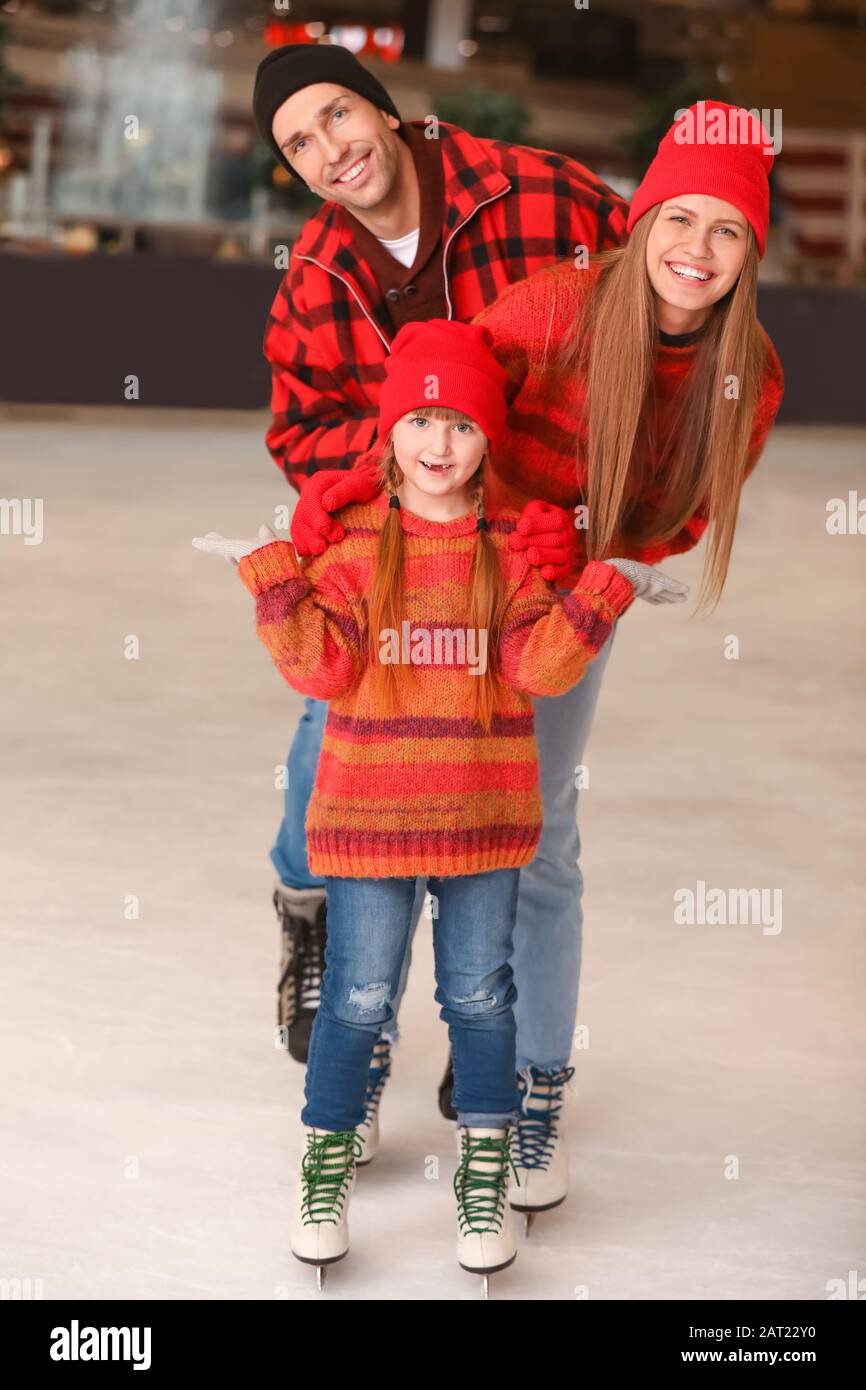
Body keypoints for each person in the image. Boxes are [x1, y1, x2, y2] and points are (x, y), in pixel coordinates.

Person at [290, 101, 786, 1223]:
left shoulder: (743, 378)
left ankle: (529, 1084)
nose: (693, 251)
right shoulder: (558, 304)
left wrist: (588, 554)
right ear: (644, 213)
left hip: (552, 602)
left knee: (537, 835)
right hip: (444, 570)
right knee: (378, 815)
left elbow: (684, 516)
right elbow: (439, 404)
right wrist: (368, 496)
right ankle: (358, 1053)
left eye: (725, 231)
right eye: (677, 217)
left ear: (750, 253)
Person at [193, 320, 687, 1289]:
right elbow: (323, 666)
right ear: (388, 432)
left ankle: (483, 1175)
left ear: (487, 441)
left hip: (482, 827)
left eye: (458, 424)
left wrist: (597, 589)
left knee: (477, 999)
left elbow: (535, 669)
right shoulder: (351, 545)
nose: (436, 442)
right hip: (366, 826)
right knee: (357, 998)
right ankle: (323, 1174)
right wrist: (270, 578)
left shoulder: (510, 549)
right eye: (418, 418)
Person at [249, 42, 630, 1153]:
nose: (330, 151)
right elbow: (298, 423)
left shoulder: (539, 192)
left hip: (534, 557)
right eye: (299, 146)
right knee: (343, 746)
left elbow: (649, 317)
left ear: (381, 104)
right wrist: (403, 462)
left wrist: (607, 490)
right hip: (398, 548)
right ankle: (320, 941)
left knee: (534, 818)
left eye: (336, 116)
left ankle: (506, 1060)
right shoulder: (317, 271)